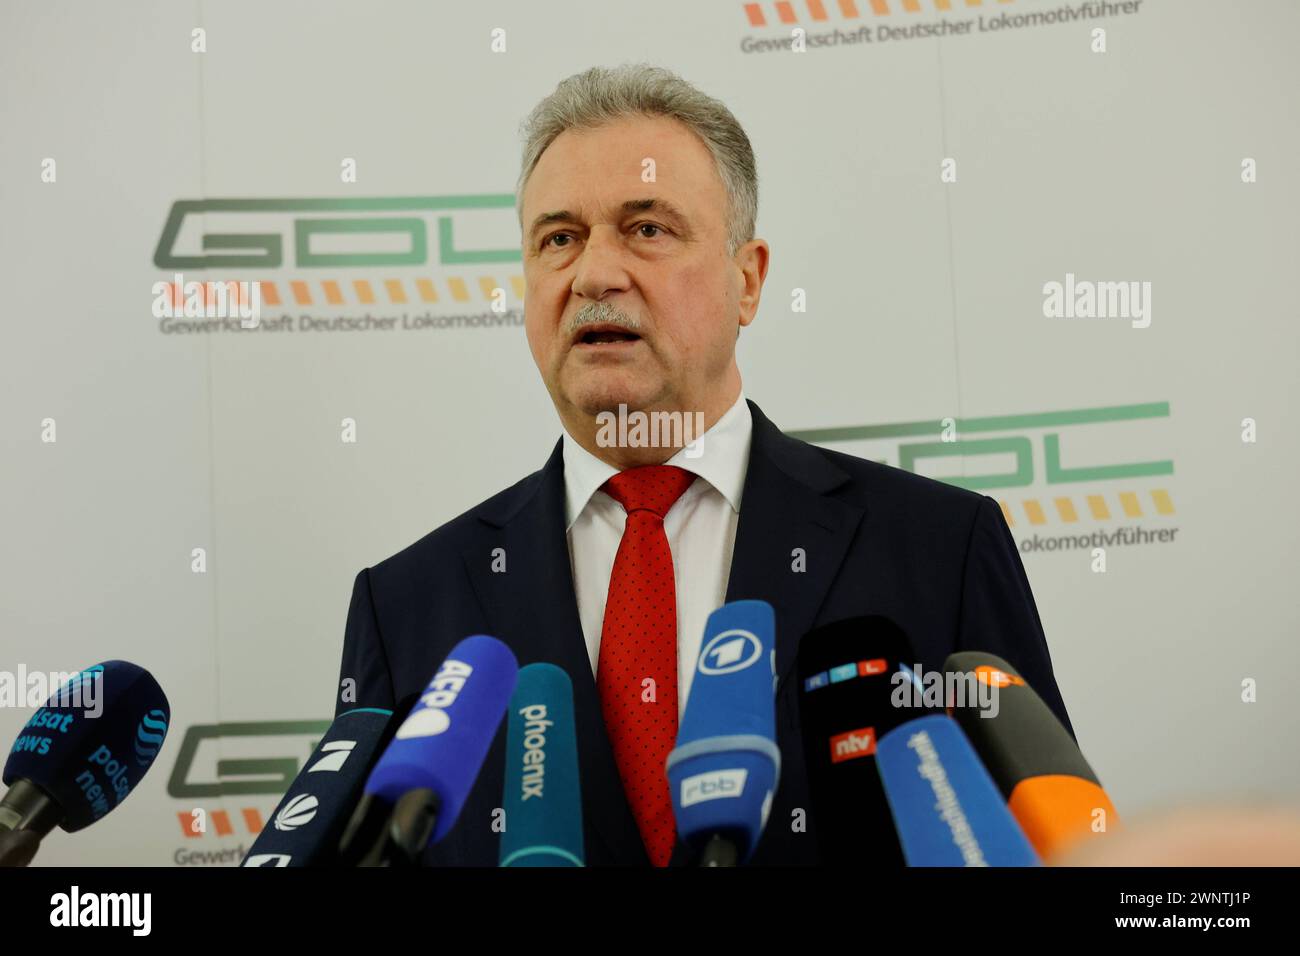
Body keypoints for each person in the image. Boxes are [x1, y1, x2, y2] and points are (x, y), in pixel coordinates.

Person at [335, 63, 1073, 866]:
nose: (594, 275)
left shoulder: (940, 549)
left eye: (647, 229)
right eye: (559, 238)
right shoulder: (409, 605)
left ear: (748, 280)